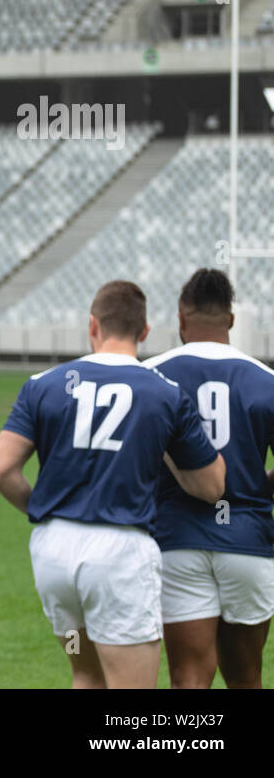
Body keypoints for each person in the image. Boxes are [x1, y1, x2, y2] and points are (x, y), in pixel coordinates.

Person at [0, 279, 226, 688]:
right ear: (145, 331)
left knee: (85, 673)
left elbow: (1, 471)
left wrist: (45, 511)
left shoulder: (44, 383)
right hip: (119, 555)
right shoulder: (165, 393)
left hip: (53, 552)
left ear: (92, 326)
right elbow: (212, 486)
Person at [143, 268, 274, 689]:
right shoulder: (266, 380)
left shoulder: (150, 376)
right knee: (247, 678)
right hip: (248, 543)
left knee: (189, 679)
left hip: (177, 541)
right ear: (231, 320)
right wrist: (256, 488)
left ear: (181, 318)